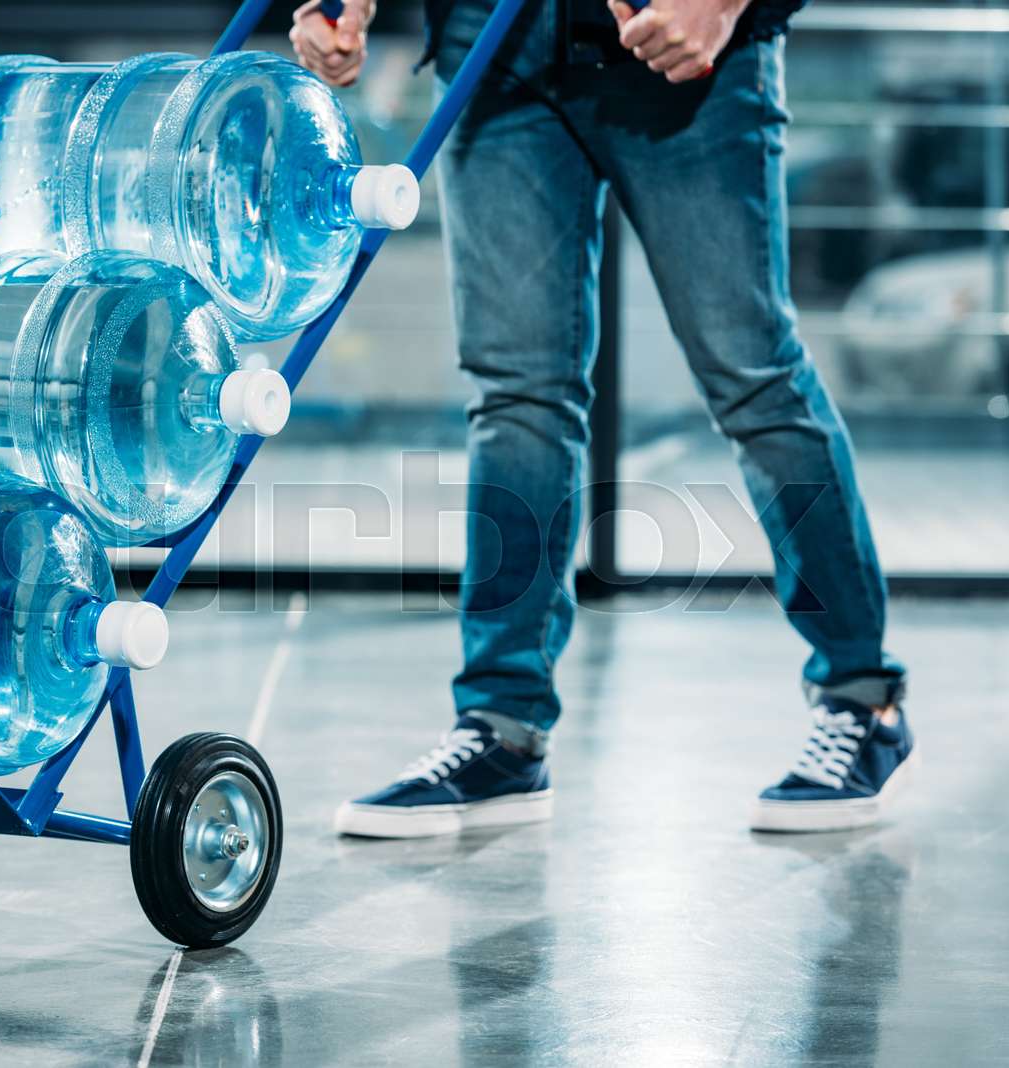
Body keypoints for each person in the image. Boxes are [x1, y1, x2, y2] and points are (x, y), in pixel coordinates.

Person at [290, 0, 913, 837]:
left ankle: (862, 699)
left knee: (753, 379)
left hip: (676, 42)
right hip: (493, 44)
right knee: (517, 398)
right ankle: (501, 729)